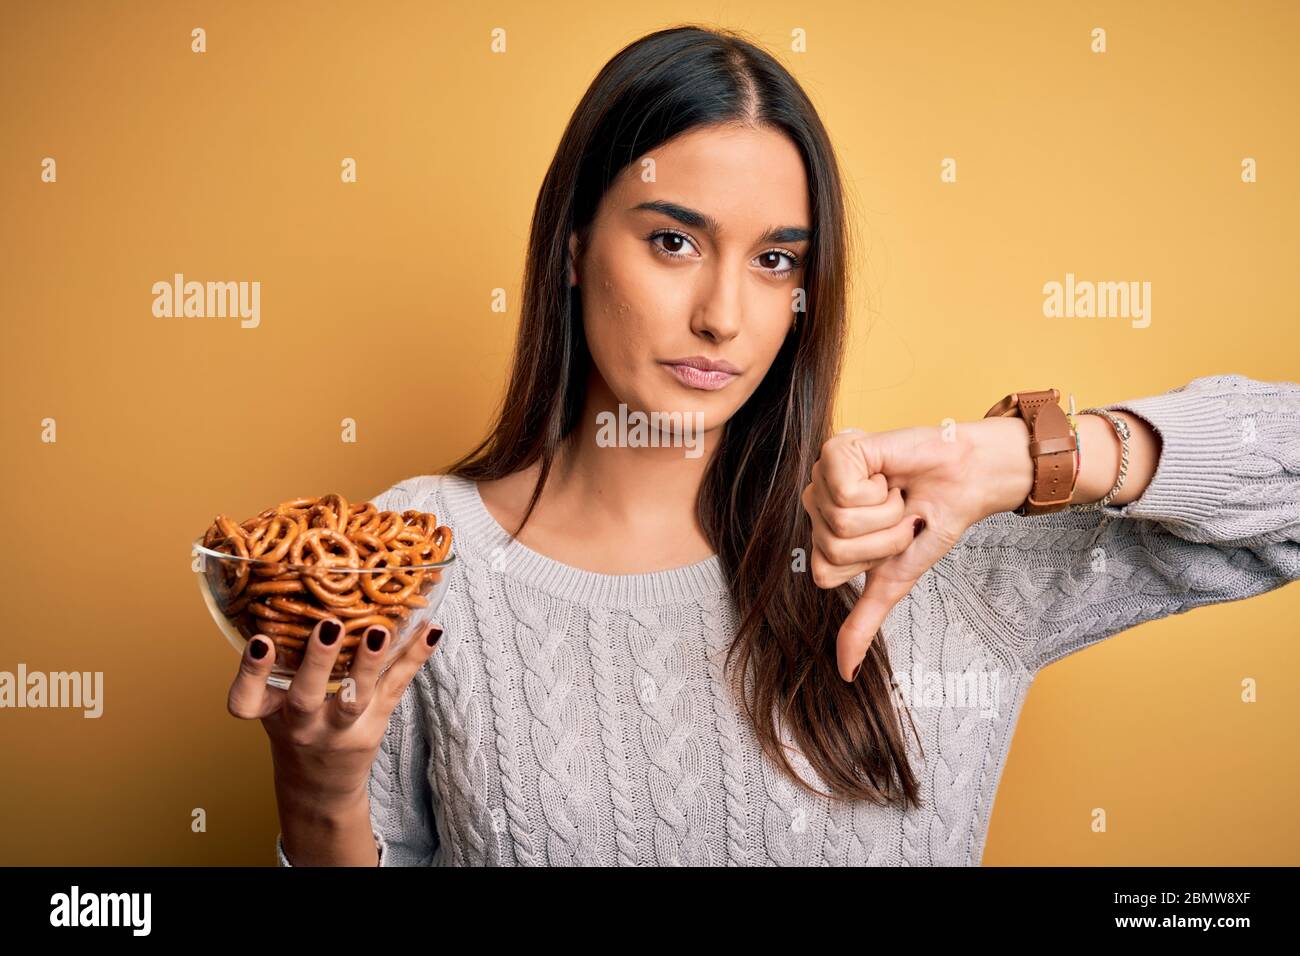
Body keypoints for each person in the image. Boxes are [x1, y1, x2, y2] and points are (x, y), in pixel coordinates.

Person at [225, 24, 1300, 866]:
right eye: (673, 241)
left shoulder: (928, 545)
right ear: (569, 245)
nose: (723, 317)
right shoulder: (420, 555)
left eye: (777, 260)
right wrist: (319, 799)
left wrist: (1027, 458)